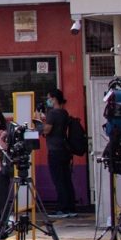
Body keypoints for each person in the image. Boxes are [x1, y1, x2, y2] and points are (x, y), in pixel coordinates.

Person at [38, 88, 79, 219]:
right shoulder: (64, 113)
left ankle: (62, 208)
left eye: (49, 98)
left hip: (55, 150)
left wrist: (38, 121)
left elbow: (47, 130)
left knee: (58, 180)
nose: (47, 100)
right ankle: (70, 207)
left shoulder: (53, 113)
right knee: (66, 179)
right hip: (65, 149)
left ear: (54, 99)